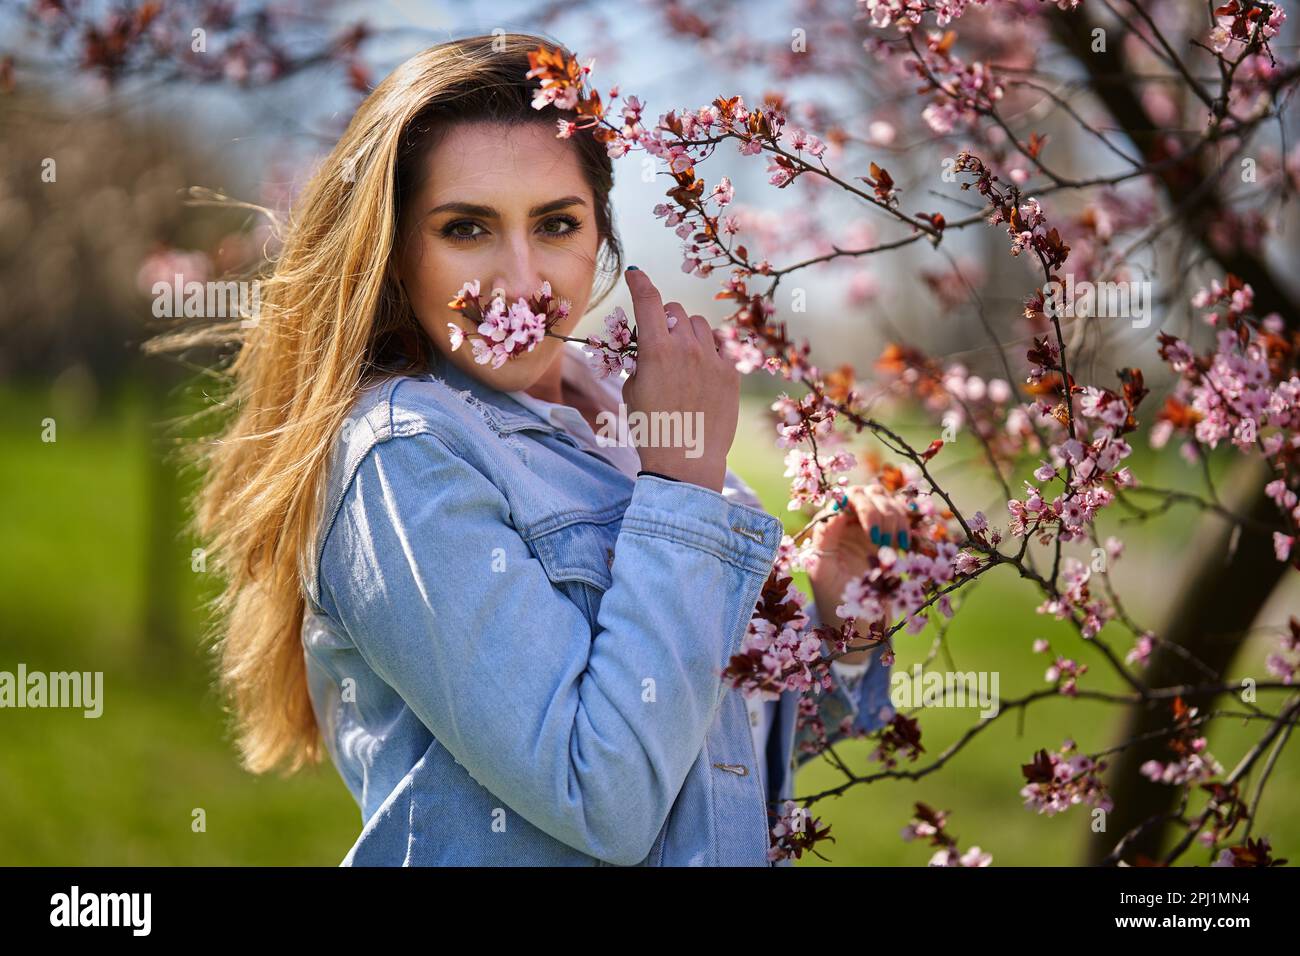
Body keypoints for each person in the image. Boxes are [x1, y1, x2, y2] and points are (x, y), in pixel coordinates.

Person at [163, 32, 902, 866]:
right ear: (395, 253)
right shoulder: (403, 456)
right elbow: (608, 800)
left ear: (602, 234)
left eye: (555, 224)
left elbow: (702, 763)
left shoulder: (625, 417)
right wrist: (686, 489)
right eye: (467, 228)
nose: (519, 282)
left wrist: (847, 626)